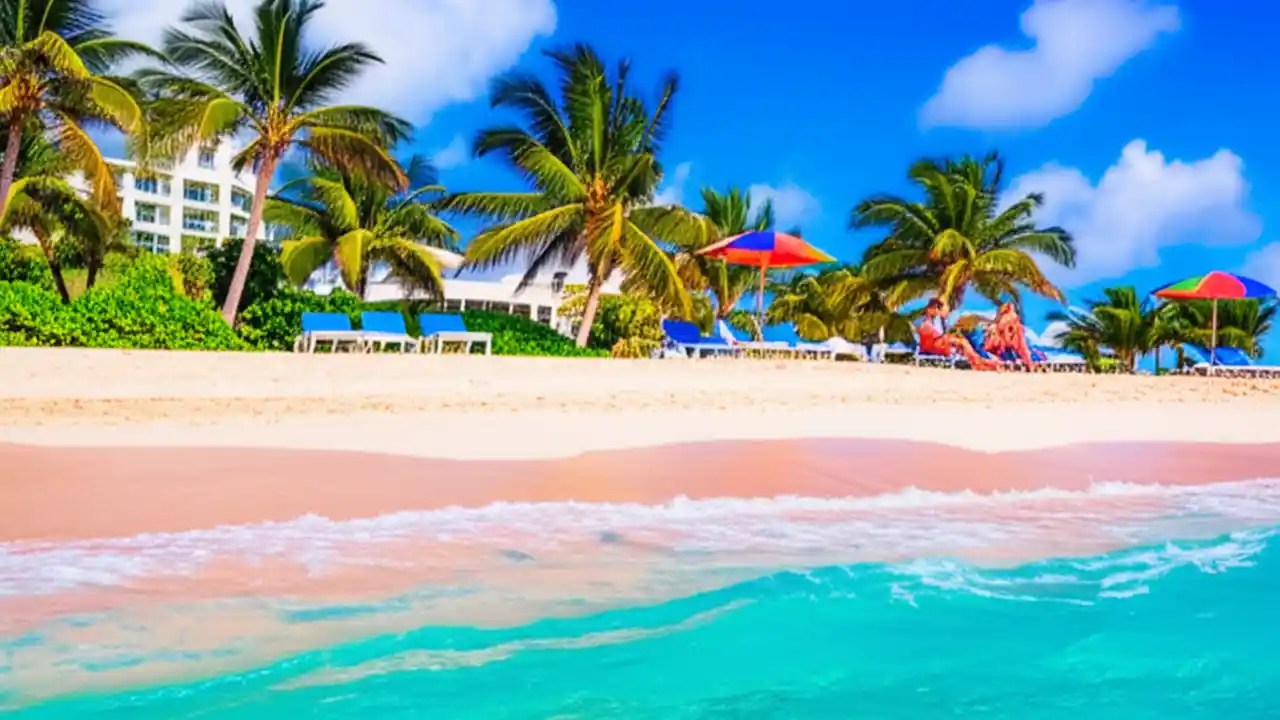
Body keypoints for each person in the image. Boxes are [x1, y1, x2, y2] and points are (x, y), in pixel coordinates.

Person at [918, 299, 999, 370]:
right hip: (934, 347)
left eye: (937, 308)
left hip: (937, 345)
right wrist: (950, 338)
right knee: (963, 343)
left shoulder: (932, 321)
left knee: (963, 342)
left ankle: (979, 361)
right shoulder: (926, 323)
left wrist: (951, 337)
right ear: (928, 309)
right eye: (934, 308)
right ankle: (979, 362)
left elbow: (938, 336)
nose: (936, 310)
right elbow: (933, 339)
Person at [984, 303, 1036, 369]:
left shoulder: (1009, 319)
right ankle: (1026, 363)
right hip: (1007, 341)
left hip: (1010, 340)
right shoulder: (1008, 318)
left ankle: (1026, 363)